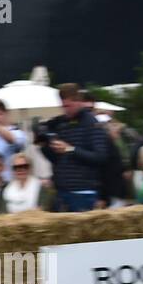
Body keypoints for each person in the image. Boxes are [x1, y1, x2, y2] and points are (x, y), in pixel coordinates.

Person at [39, 84, 109, 212]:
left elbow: (100, 157)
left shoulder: (92, 124)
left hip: (84, 191)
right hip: (62, 191)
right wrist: (44, 146)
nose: (66, 110)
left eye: (68, 106)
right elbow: (57, 159)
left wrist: (71, 149)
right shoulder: (60, 123)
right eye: (63, 106)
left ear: (78, 102)